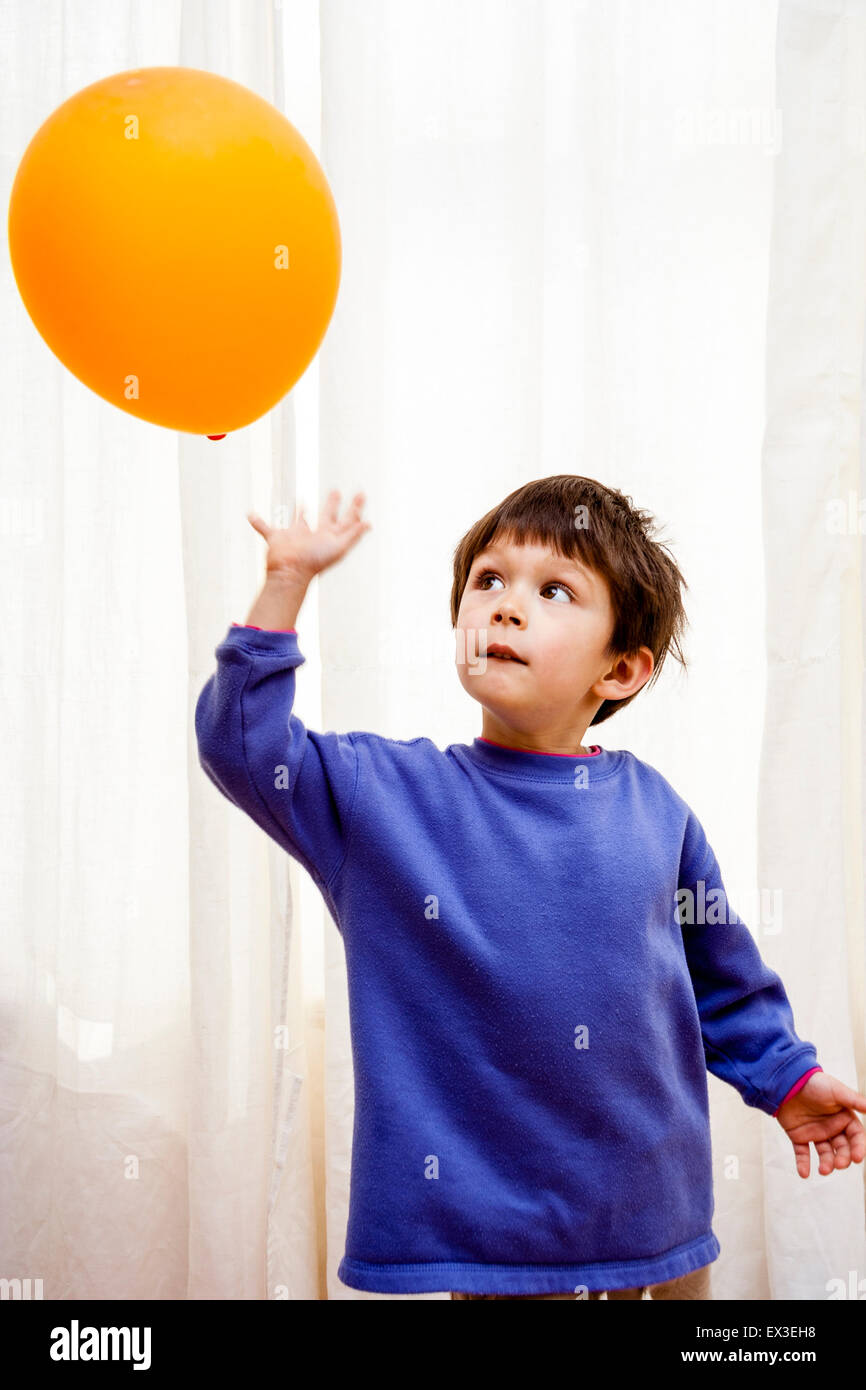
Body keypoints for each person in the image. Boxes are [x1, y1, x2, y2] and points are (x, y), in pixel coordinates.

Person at [194, 474, 866, 1300]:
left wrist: (789, 1080)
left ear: (620, 669)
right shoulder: (382, 798)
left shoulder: (658, 813)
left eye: (554, 590)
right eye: (488, 581)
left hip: (657, 1225)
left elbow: (723, 982)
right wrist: (285, 583)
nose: (505, 607)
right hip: (490, 1240)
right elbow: (241, 744)